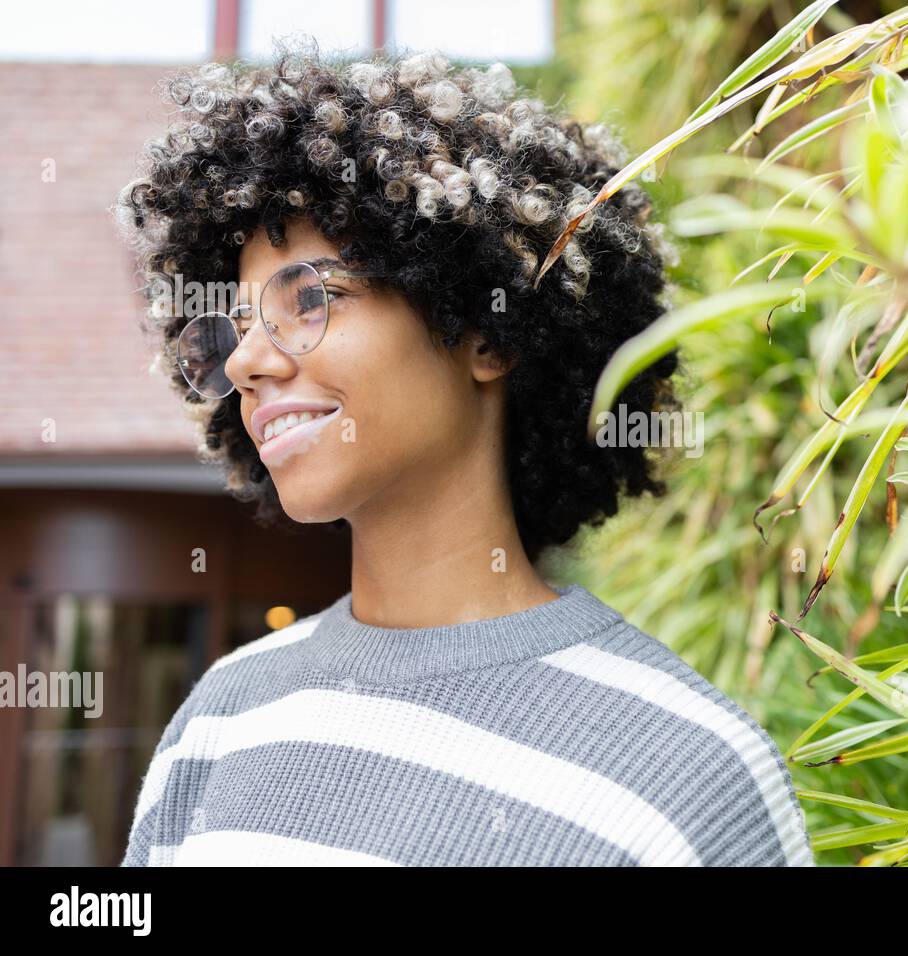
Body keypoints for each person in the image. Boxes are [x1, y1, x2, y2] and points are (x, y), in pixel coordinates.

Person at [114, 42, 813, 866]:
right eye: (231, 327)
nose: (243, 362)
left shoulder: (690, 776)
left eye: (310, 298)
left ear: (486, 331)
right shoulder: (221, 721)